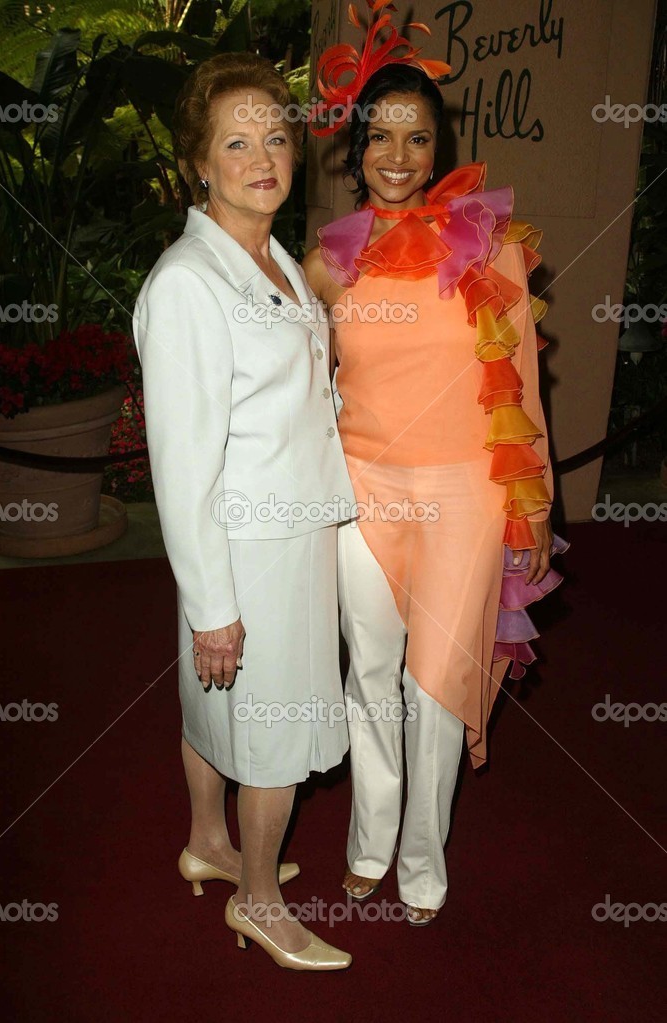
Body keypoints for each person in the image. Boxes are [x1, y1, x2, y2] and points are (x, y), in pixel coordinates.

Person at [303, 2, 567, 925]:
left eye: (417, 134)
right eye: (380, 136)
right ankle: (369, 843)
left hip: (463, 494)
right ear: (355, 147)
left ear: (439, 139)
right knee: (369, 672)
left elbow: (522, 390)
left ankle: (423, 859)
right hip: (362, 489)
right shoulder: (328, 264)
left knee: (436, 681)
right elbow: (293, 388)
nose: (400, 155)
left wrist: (533, 511)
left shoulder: (490, 247)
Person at [133, 53, 356, 970]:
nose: (262, 155)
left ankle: (208, 841)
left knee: (214, 706)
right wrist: (213, 603)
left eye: (275, 135)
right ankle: (260, 902)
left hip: (289, 527)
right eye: (236, 140)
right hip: (253, 546)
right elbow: (180, 463)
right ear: (199, 161)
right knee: (274, 729)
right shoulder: (190, 282)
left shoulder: (270, 258)